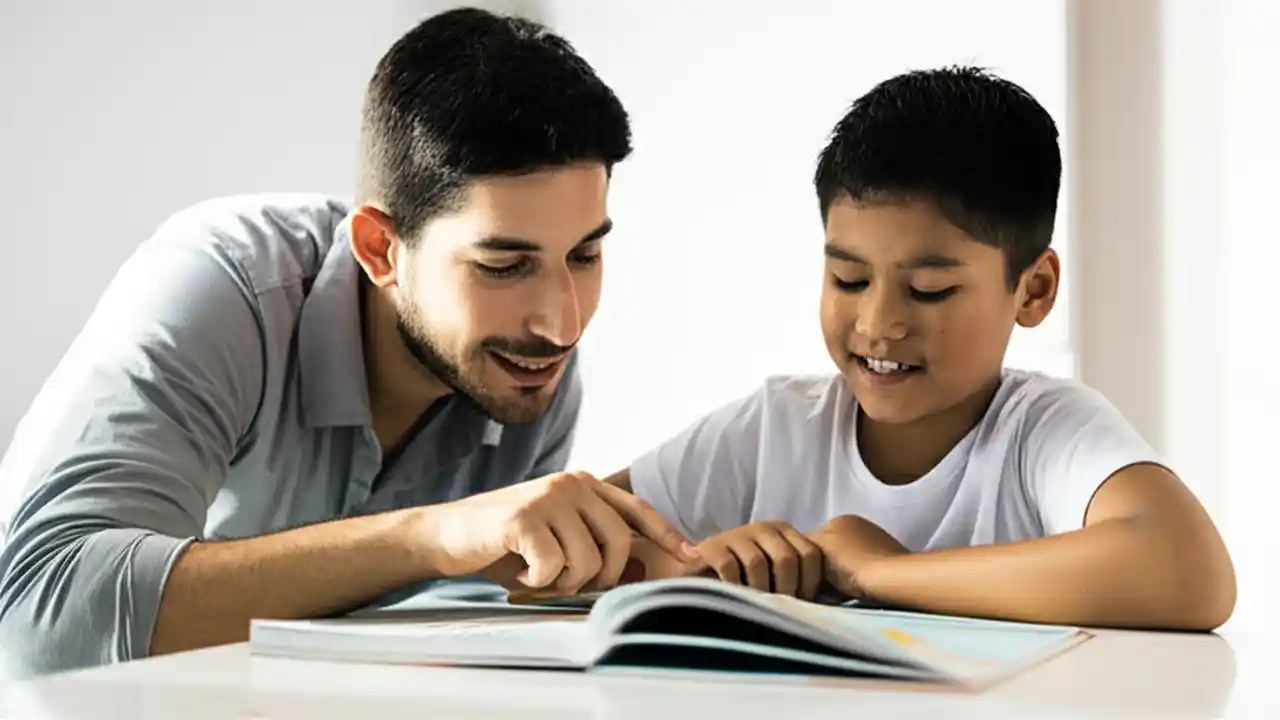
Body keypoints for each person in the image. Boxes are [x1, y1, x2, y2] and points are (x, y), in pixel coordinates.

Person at [0, 7, 696, 678]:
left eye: (583, 255)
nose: (562, 325)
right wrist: (431, 536)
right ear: (380, 249)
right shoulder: (226, 289)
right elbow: (39, 618)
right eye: (502, 265)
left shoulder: (524, 369)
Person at [610, 66, 1236, 631]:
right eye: (849, 280)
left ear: (1033, 291)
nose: (879, 324)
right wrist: (694, 566)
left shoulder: (1043, 432)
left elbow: (1188, 572)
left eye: (929, 290)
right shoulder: (775, 428)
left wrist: (877, 572)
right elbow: (580, 547)